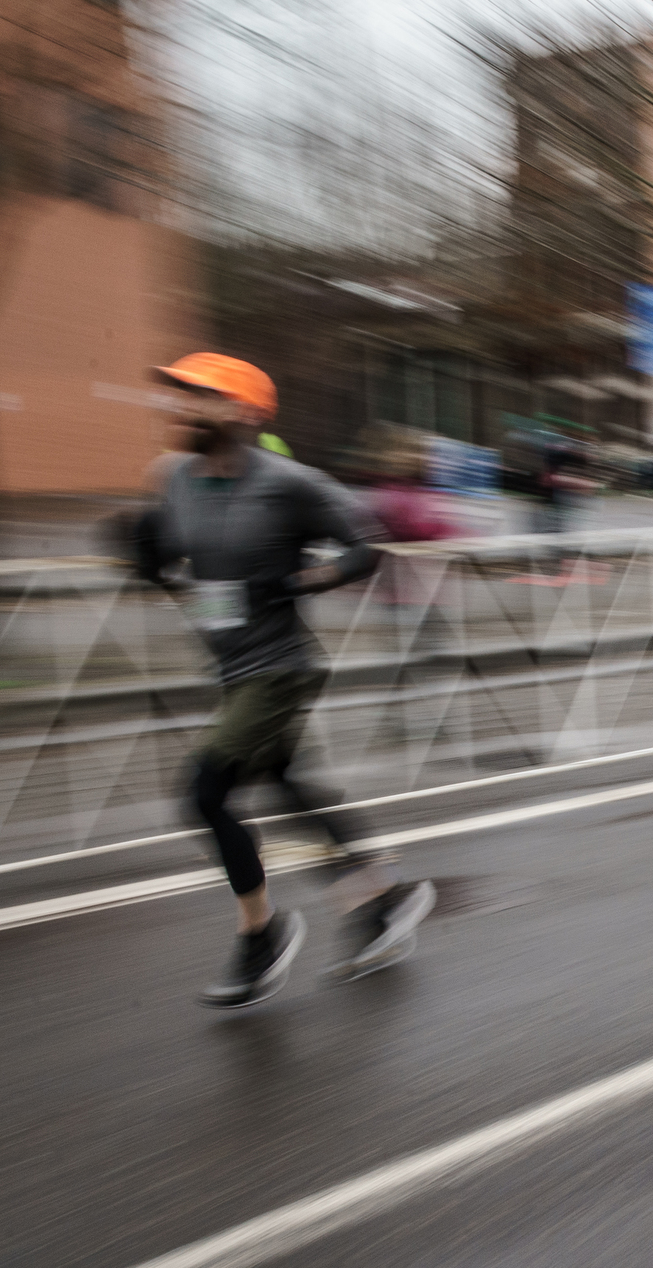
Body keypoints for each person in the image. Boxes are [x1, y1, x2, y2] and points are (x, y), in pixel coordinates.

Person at [130, 353, 435, 1008]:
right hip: (229, 667)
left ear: (242, 411)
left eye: (197, 395)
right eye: (177, 393)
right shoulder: (175, 480)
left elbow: (364, 545)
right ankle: (385, 898)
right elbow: (168, 561)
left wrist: (299, 580)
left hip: (278, 669)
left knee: (204, 794)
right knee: (292, 792)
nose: (180, 406)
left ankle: (261, 934)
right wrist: (143, 552)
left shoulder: (290, 482)